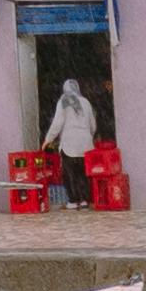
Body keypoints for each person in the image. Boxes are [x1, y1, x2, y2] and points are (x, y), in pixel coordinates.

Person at [46, 72, 100, 208]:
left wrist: (48, 139)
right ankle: (84, 200)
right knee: (83, 173)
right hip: (86, 144)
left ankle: (73, 200)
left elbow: (57, 123)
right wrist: (89, 136)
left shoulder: (63, 101)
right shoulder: (86, 102)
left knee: (70, 173)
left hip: (69, 143)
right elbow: (93, 124)